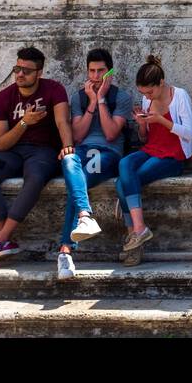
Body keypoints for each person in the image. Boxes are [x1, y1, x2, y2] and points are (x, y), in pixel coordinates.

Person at [0, 46, 72, 265]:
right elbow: (1, 143)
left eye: (26, 71)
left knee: (36, 177)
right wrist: (25, 122)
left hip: (43, 151)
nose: (20, 74)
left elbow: (62, 121)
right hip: (12, 151)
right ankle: (5, 239)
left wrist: (67, 147)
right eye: (17, 69)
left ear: (39, 73)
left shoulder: (54, 90)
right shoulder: (2, 98)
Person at [55, 47, 132, 281]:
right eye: (92, 71)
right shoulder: (79, 97)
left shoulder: (121, 97)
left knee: (75, 186)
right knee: (68, 157)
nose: (96, 77)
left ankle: (65, 252)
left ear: (110, 73)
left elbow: (110, 134)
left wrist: (100, 101)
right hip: (83, 151)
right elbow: (77, 136)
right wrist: (90, 103)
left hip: (108, 154)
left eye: (101, 71)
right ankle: (84, 217)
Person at [117, 54, 192, 266]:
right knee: (124, 165)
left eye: (150, 92)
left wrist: (160, 119)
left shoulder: (179, 96)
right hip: (152, 149)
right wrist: (142, 123)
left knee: (122, 183)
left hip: (173, 155)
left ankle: (134, 240)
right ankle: (139, 230)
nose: (148, 97)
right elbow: (145, 138)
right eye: (143, 93)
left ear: (161, 83)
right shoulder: (147, 100)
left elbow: (189, 133)